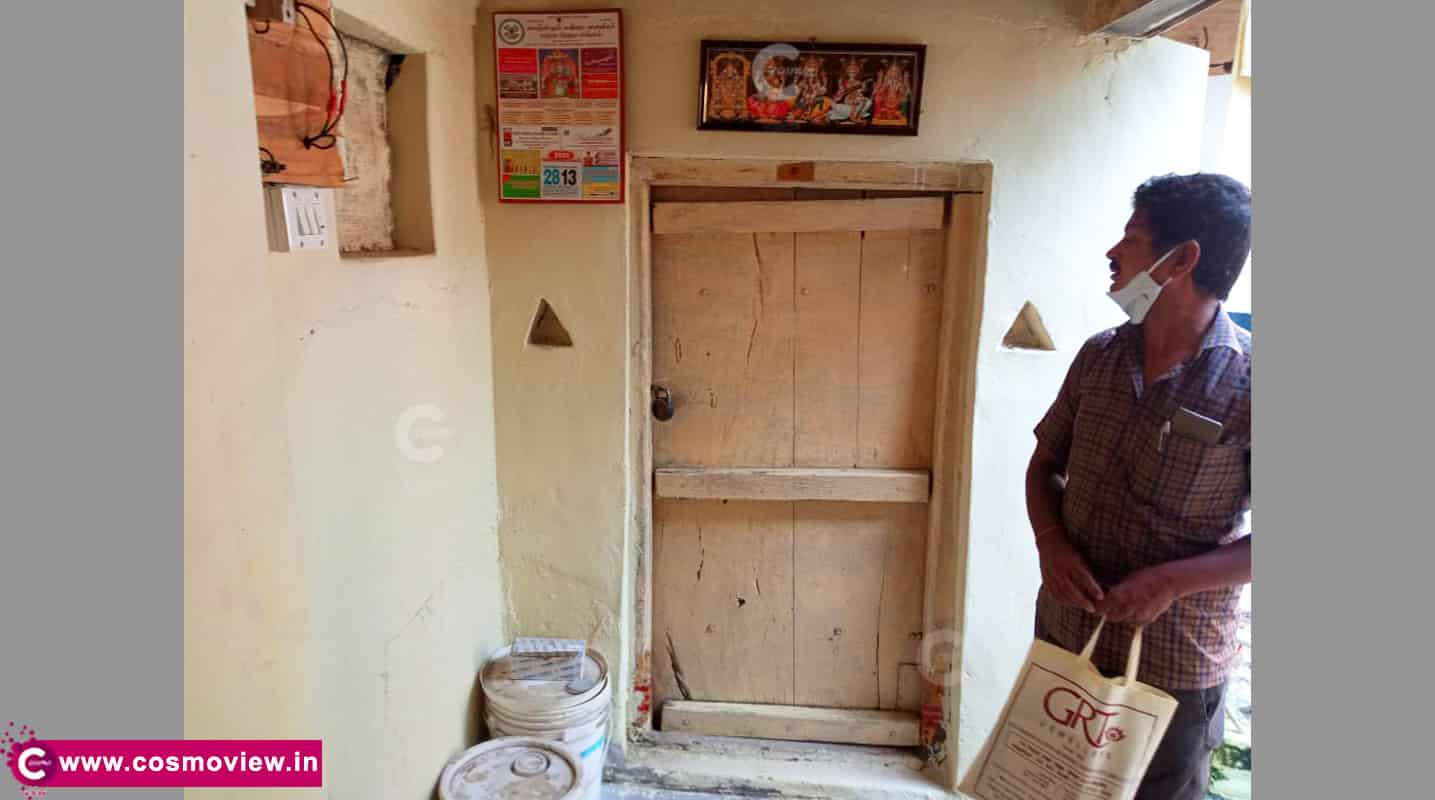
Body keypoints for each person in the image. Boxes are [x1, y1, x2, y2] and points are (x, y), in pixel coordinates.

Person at [1026, 172, 1252, 800]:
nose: (1112, 253)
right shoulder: (1099, 356)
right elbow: (1043, 466)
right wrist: (1051, 543)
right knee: (1047, 786)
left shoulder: (1253, 381)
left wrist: (1172, 581)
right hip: (1068, 636)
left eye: (1130, 238)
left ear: (1182, 259)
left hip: (1173, 665)